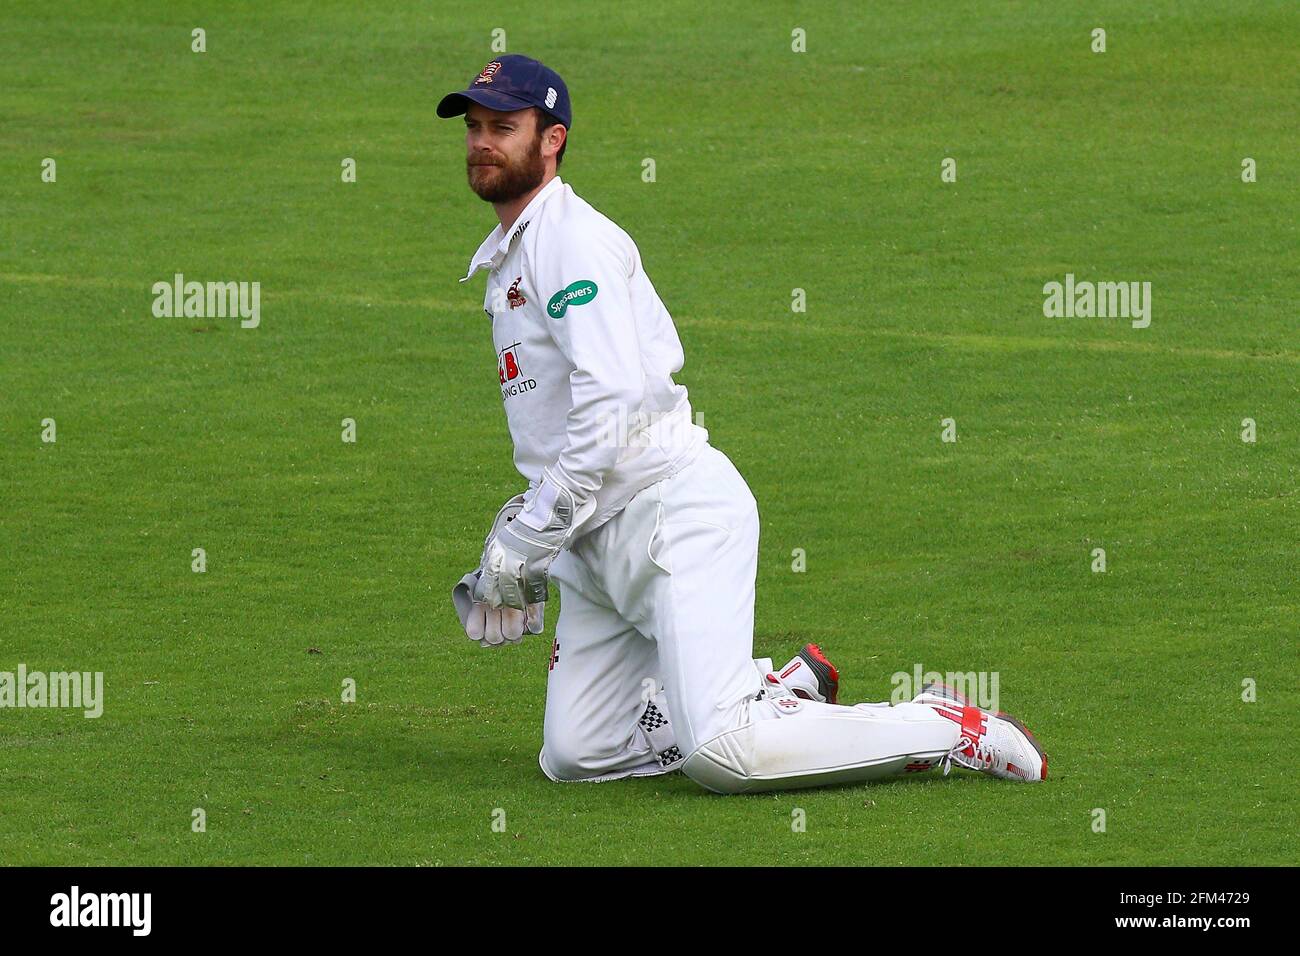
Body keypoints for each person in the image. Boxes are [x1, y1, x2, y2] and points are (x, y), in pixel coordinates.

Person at [440, 54, 1047, 792]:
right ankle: (771, 692)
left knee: (726, 756)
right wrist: (531, 542)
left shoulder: (570, 241)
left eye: (504, 126)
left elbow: (614, 400)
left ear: (553, 139)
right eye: (474, 127)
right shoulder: (513, 253)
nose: (482, 141)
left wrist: (536, 527)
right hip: (598, 545)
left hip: (673, 519)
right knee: (577, 756)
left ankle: (945, 727)